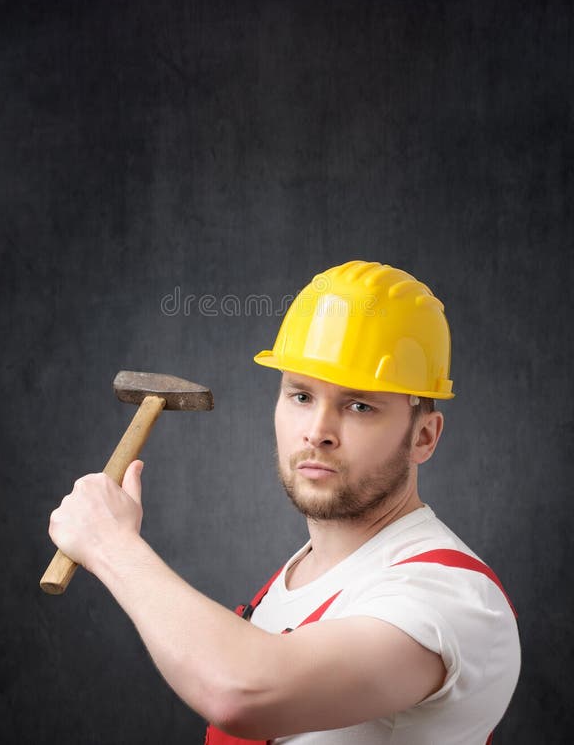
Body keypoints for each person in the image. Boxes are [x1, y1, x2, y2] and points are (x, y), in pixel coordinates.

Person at [48, 260, 521, 744]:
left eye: (359, 406)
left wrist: (112, 545)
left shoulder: (450, 596)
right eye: (300, 396)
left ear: (423, 437)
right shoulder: (298, 576)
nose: (317, 432)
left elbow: (242, 693)